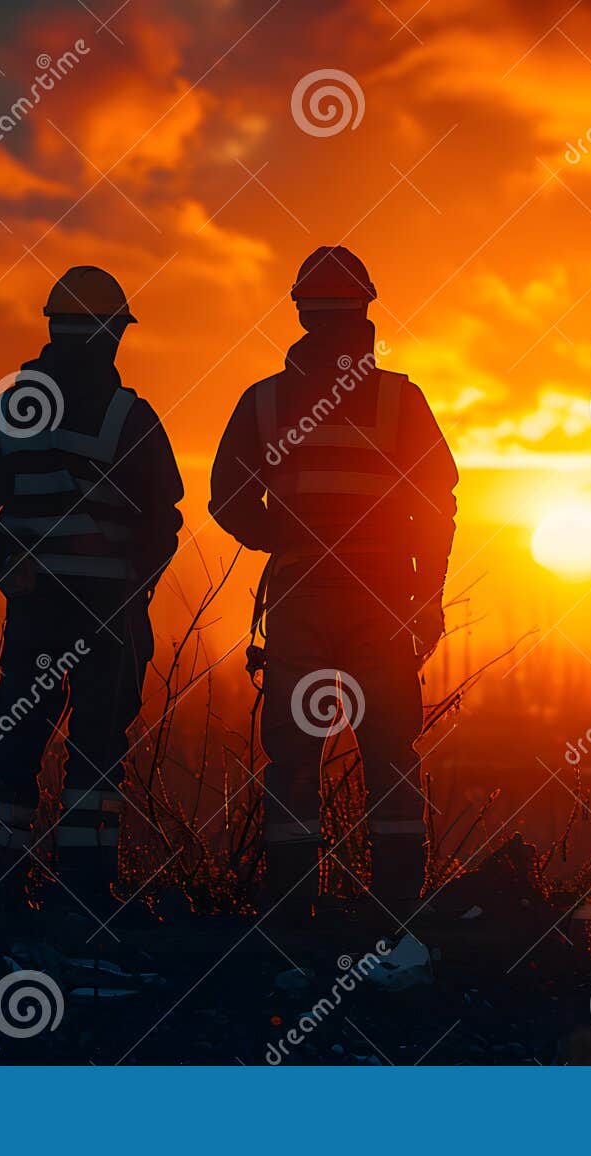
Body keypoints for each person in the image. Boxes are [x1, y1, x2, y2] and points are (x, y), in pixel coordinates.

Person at [210, 246, 457, 931]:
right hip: (383, 601)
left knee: (294, 753)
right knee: (391, 753)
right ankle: (396, 909)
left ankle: (293, 912)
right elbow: (438, 505)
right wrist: (425, 594)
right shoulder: (400, 400)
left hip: (301, 600)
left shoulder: (264, 402)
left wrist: (285, 538)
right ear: (365, 313)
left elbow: (227, 497)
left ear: (301, 314)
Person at [0, 265, 183, 897]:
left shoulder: (10, 411)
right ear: (112, 334)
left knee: (17, 743)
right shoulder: (129, 417)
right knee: (96, 755)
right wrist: (135, 590)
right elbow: (164, 521)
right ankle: (85, 893)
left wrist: (6, 569)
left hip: (38, 612)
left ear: (54, 329)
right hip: (107, 616)